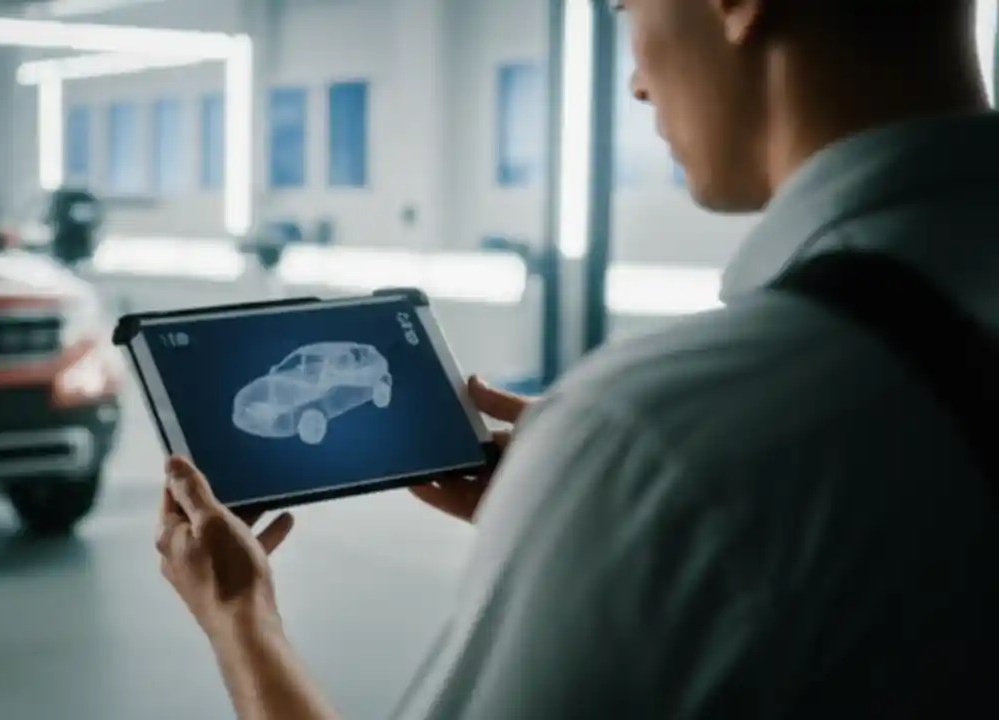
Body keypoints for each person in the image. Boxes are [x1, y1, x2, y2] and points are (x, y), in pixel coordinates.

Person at [155, 0, 999, 717]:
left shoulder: (660, 431)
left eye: (628, 10)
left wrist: (241, 620)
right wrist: (613, 529)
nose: (635, 81)